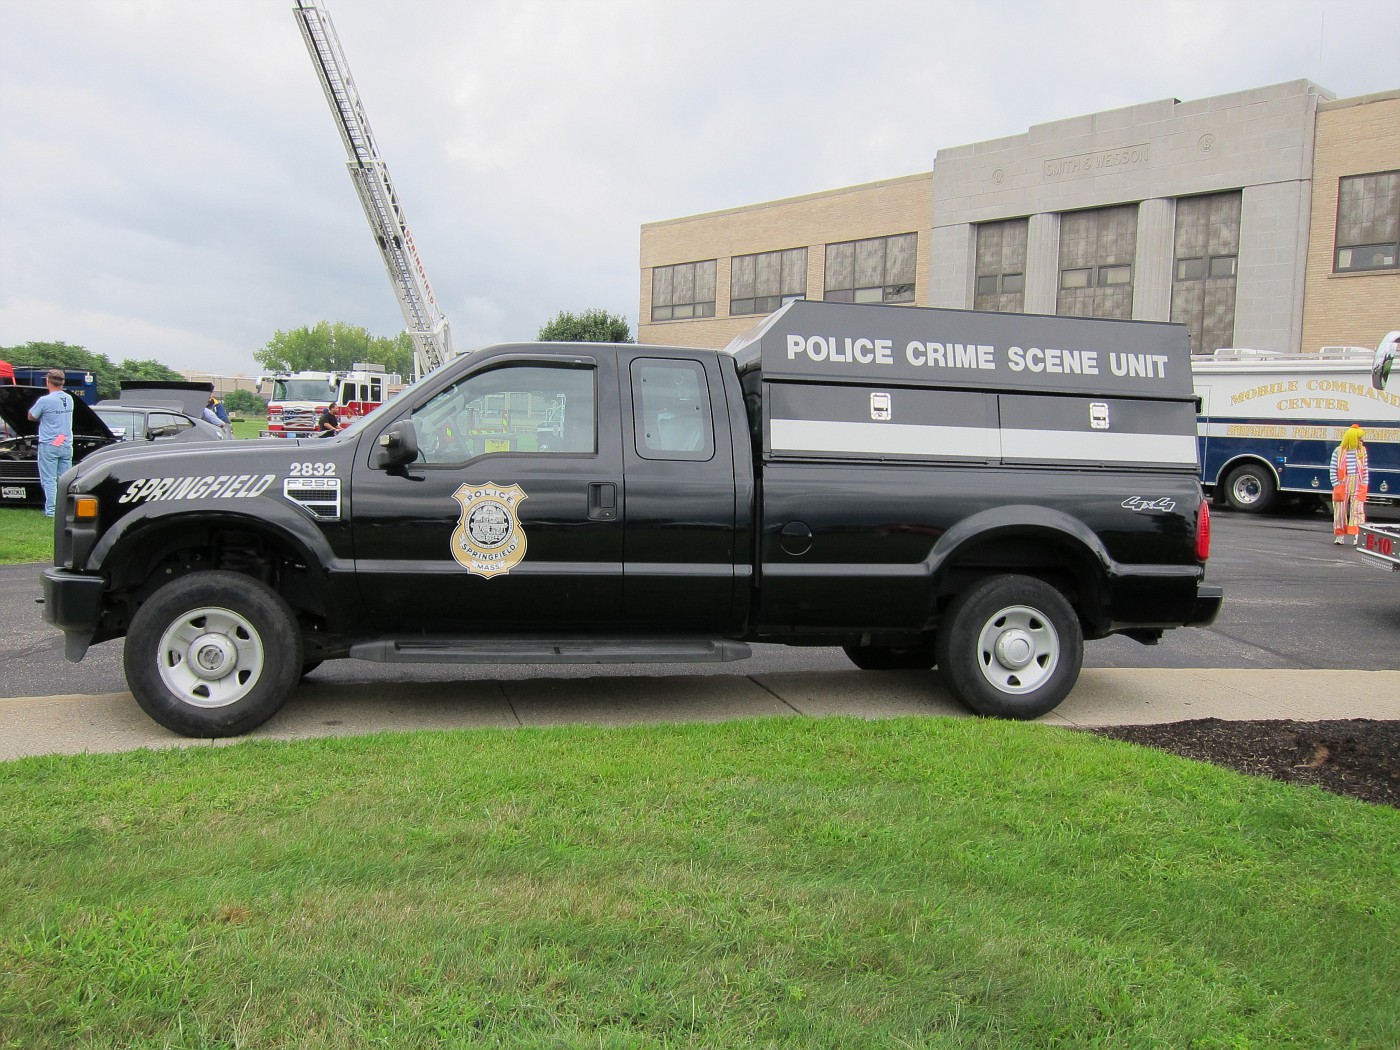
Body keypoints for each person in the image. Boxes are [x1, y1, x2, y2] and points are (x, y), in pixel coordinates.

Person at [26, 368, 74, 517]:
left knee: (49, 479)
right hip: (66, 443)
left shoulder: (45, 400)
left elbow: (31, 416)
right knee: (65, 479)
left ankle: (52, 511)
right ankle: (65, 509)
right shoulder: (69, 398)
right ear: (62, 382)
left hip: (49, 443)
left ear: (48, 381)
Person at [1329, 424, 1368, 545]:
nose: (1361, 440)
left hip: (1358, 482)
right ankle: (1340, 535)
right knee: (1340, 510)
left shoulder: (1362, 450)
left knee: (1358, 509)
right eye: (1359, 438)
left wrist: (1364, 483)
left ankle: (1357, 535)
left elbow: (1365, 468)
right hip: (1343, 482)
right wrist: (1336, 483)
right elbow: (1333, 468)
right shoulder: (1338, 451)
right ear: (1352, 438)